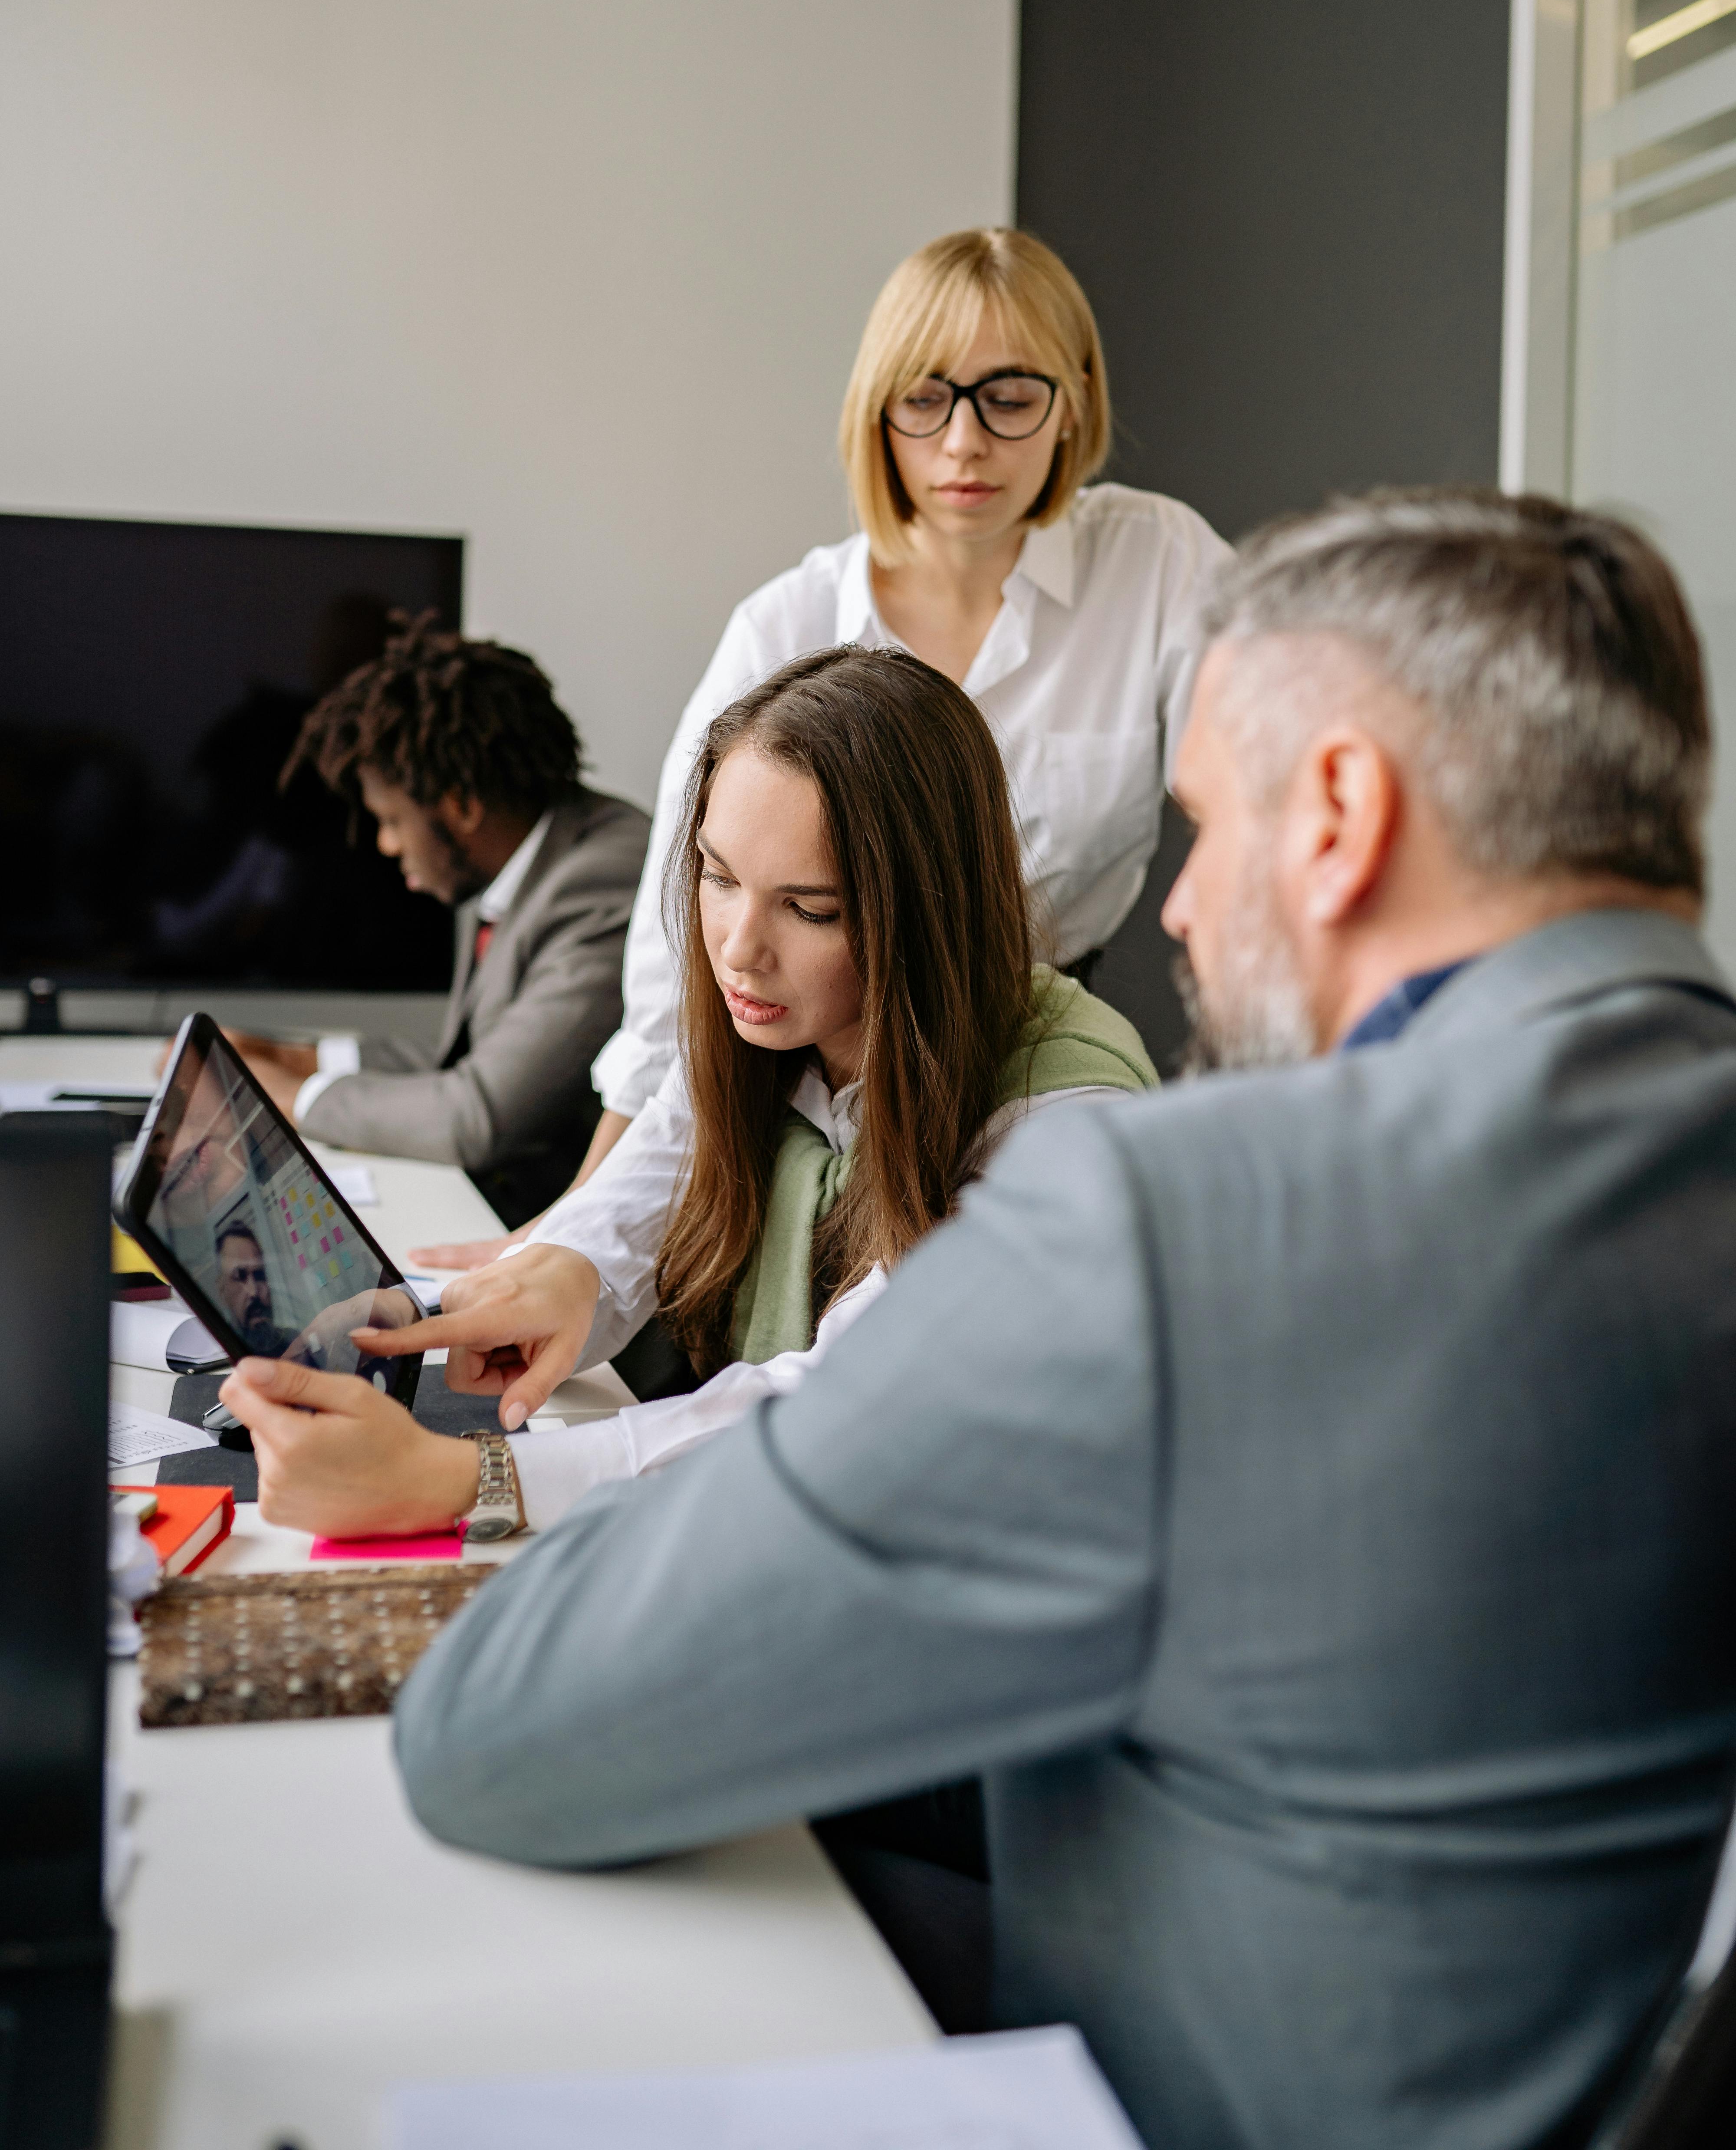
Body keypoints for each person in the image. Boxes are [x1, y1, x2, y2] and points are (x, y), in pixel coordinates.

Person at [372, 491, 1734, 2150]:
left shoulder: (1182, 1218)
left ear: (1340, 817)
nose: (1173, 907)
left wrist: (488, 1495)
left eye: (1205, 827)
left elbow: (498, 1732)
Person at [417, 226, 1224, 1271]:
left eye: (1010, 397)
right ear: (876, 408)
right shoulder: (788, 622)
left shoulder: (1158, 562)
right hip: (817, 1068)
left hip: (1021, 1051)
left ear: (1073, 396)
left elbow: (1258, 803)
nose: (964, 444)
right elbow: (684, 948)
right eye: (924, 399)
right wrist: (574, 1222)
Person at [220, 646, 1157, 1539]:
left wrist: (466, 1481)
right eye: (716, 876)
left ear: (930, 910)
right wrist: (556, 1274)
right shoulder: (776, 1019)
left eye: (810, 908)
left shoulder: (1061, 1124)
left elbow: (840, 1407)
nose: (737, 948)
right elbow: (644, 1187)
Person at [227, 615, 650, 1228]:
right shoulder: (531, 858)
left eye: (392, 821)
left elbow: (478, 1114)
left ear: (462, 805)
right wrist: (300, 1058)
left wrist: (284, 1097)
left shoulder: (602, 879)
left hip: (552, 1233)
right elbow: (473, 1059)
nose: (385, 845)